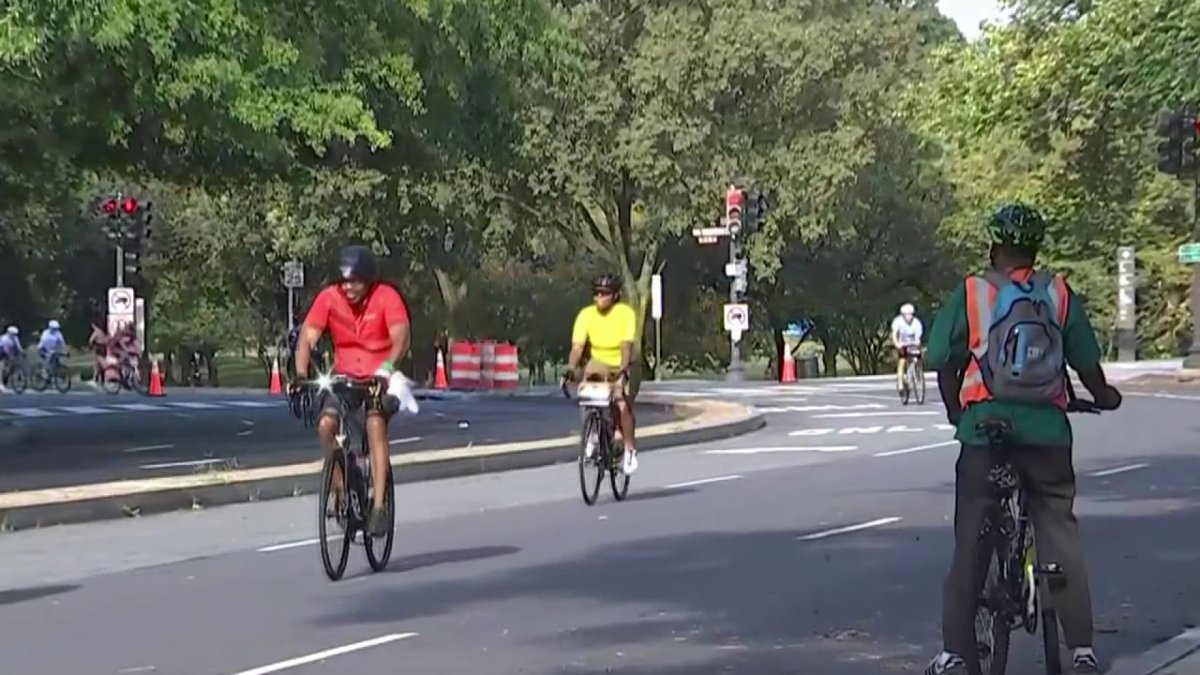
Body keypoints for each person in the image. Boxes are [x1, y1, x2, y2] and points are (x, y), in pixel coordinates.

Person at [923, 203, 1122, 675]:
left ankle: (954, 654)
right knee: (1059, 528)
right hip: (1047, 433)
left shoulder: (973, 292)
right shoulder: (1058, 293)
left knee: (970, 537)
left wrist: (958, 413)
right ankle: (1082, 651)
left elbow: (939, 357)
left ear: (993, 246)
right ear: (1035, 247)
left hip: (985, 429)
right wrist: (1104, 396)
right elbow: (1086, 363)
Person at [290, 245, 411, 537]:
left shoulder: (386, 297)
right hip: (345, 376)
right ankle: (343, 491)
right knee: (325, 425)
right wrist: (301, 374)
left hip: (379, 377)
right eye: (344, 281)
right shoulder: (329, 299)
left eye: (355, 281)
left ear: (368, 280)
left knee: (374, 424)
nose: (348, 287)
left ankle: (379, 505)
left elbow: (402, 340)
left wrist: (385, 369)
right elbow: (306, 339)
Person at [564, 274, 639, 475]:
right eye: (596, 293)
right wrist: (570, 368)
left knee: (620, 401)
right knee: (587, 391)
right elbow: (578, 346)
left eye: (605, 294)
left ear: (615, 295)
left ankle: (630, 450)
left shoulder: (625, 313)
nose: (600, 297)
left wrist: (623, 368)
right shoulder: (586, 315)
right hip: (598, 361)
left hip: (620, 361)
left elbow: (626, 346)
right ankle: (591, 435)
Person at [891, 302, 924, 391]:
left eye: (911, 314)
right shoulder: (898, 321)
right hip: (902, 344)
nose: (909, 317)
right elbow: (894, 335)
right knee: (902, 361)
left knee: (918, 357)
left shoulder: (916, 323)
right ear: (902, 315)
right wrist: (897, 344)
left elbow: (918, 336)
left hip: (913, 344)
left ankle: (917, 374)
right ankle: (900, 382)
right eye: (906, 315)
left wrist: (918, 343)